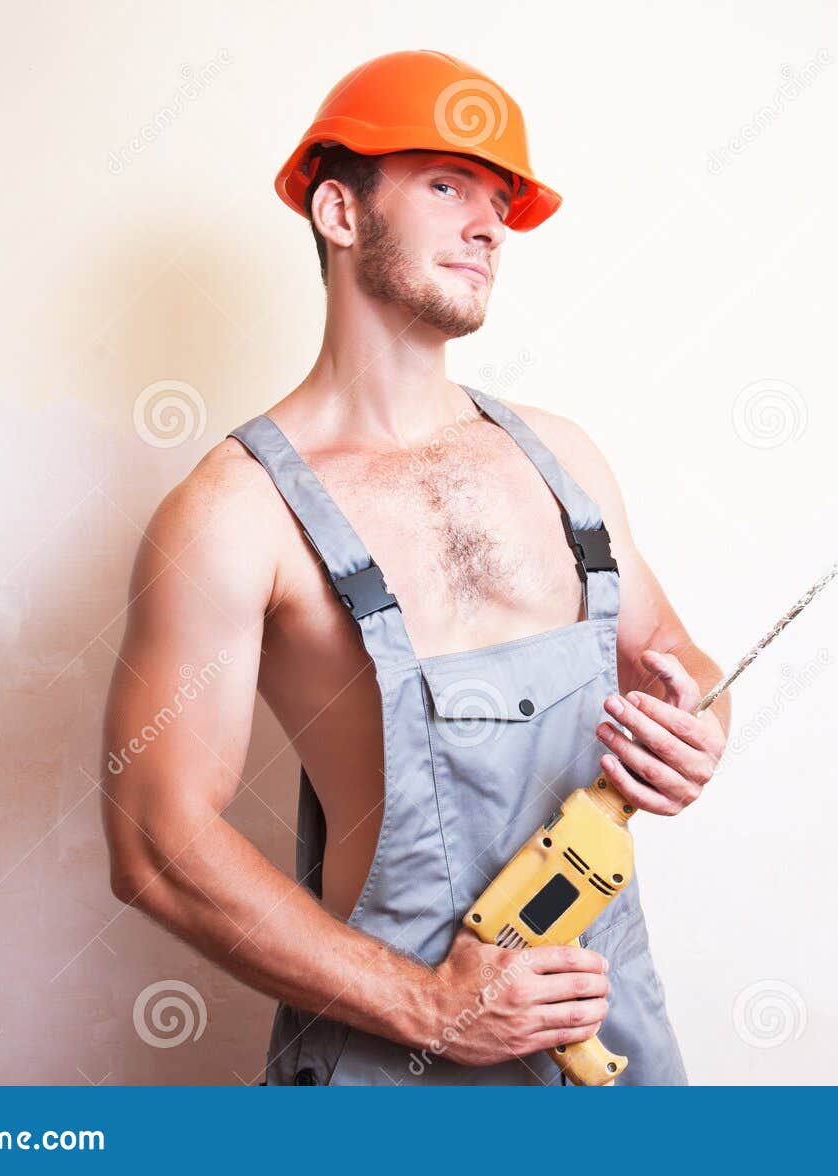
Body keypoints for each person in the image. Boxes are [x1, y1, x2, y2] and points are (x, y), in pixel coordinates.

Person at [100, 50, 731, 1085]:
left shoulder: (561, 458)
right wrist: (429, 1005)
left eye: (498, 201)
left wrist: (698, 730)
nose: (487, 225)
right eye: (446, 186)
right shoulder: (234, 513)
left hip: (611, 1041)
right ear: (339, 213)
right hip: (396, 1067)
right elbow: (154, 839)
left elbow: (671, 659)